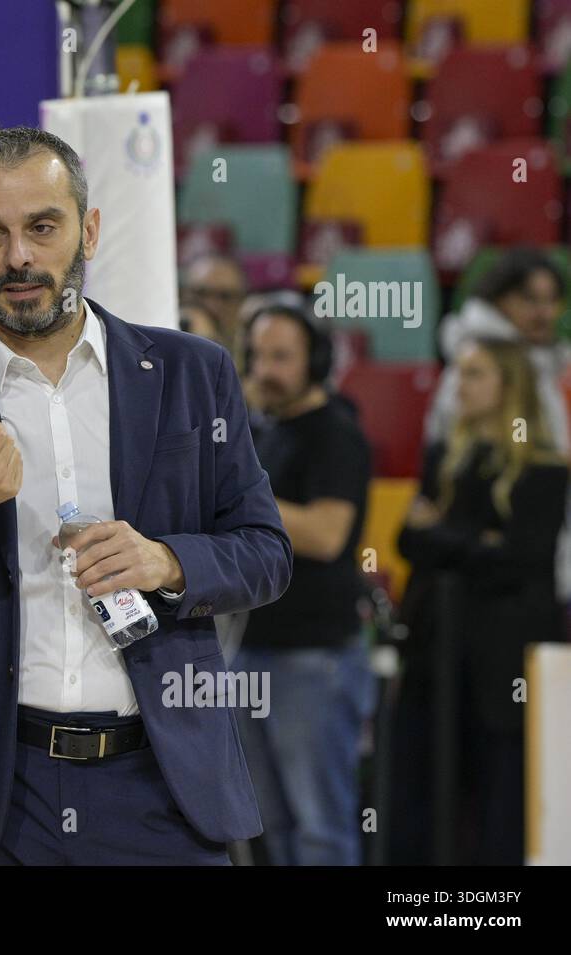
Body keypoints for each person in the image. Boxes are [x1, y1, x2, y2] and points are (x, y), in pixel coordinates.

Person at [0, 126, 293, 865]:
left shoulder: (194, 372)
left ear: (88, 229)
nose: (19, 258)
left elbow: (266, 554)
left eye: (42, 226)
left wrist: (164, 560)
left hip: (166, 787)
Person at [391, 337, 568, 865]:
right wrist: (474, 542)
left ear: (508, 385)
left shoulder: (546, 470)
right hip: (437, 648)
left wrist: (444, 535)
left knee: (500, 791)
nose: (458, 386)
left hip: (502, 657)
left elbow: (519, 561)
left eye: (474, 373)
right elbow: (407, 541)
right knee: (424, 781)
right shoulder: (445, 457)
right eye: (457, 372)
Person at [234, 301, 376, 866]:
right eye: (258, 356)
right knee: (273, 825)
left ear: (315, 361)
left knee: (321, 827)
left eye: (282, 357)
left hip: (314, 659)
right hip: (254, 650)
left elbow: (326, 534)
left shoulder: (337, 434)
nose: (266, 369)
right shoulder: (262, 431)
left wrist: (241, 492)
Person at [426, 248, 571, 454]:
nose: (544, 313)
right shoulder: (475, 358)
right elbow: (448, 439)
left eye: (551, 300)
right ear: (500, 299)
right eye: (531, 299)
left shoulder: (547, 361)